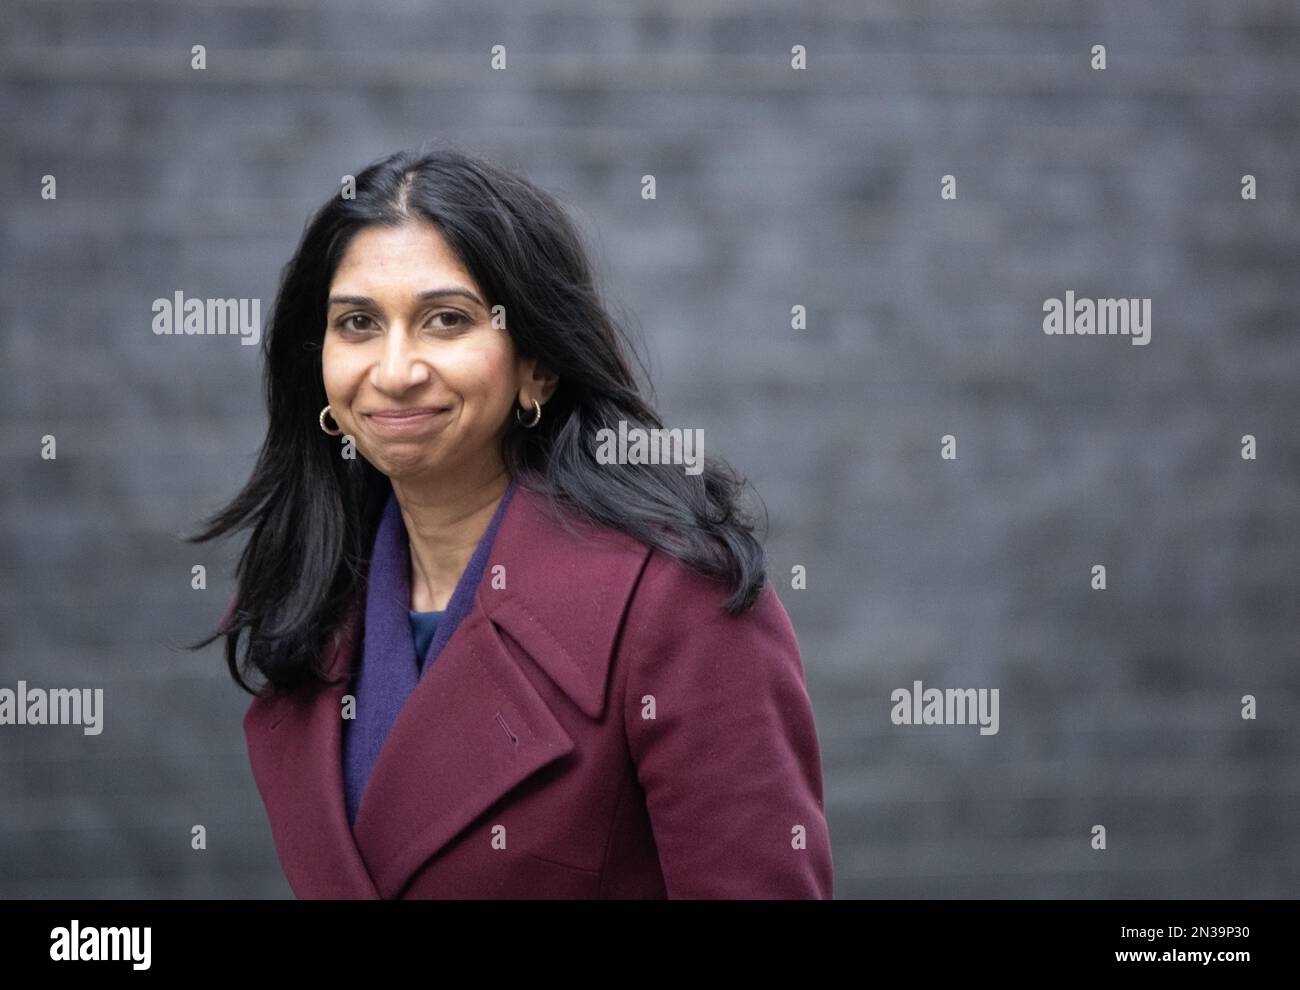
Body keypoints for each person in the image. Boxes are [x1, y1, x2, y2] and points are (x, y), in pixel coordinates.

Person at [190, 141, 833, 899]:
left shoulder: (678, 608)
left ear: (537, 365)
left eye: (446, 320)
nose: (394, 371)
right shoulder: (306, 605)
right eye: (358, 323)